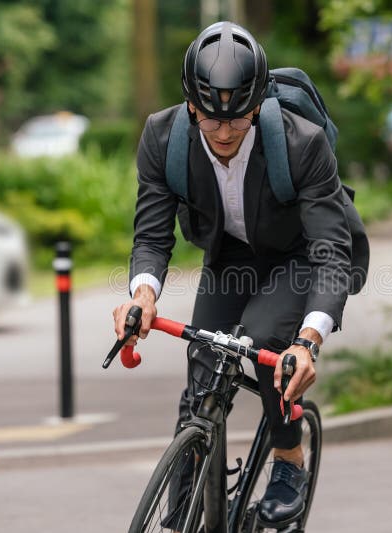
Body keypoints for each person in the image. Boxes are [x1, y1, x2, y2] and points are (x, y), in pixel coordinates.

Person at [112, 21, 361, 526]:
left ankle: (288, 454)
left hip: (299, 256)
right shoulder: (162, 137)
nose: (224, 133)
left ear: (257, 105)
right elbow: (152, 236)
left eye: (238, 120)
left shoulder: (301, 143)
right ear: (191, 106)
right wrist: (142, 296)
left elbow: (331, 251)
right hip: (229, 256)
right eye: (210, 119)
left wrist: (308, 342)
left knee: (264, 338)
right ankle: (187, 499)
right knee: (204, 363)